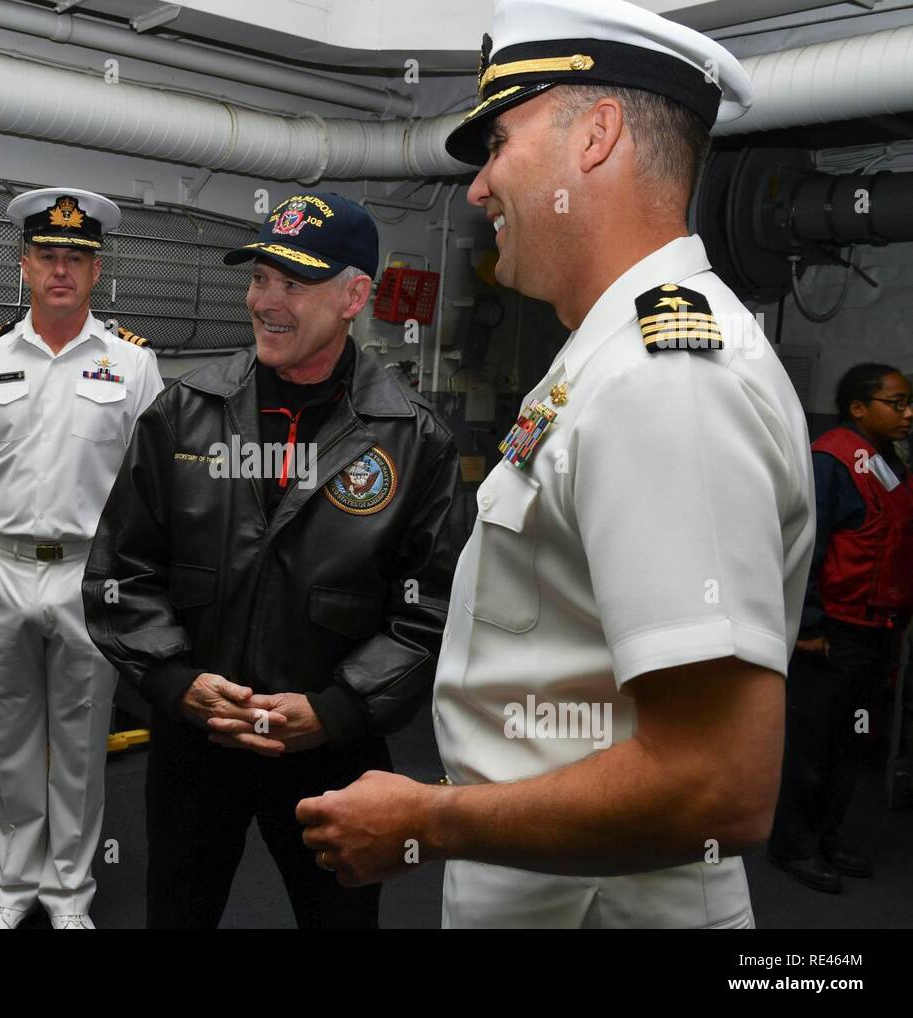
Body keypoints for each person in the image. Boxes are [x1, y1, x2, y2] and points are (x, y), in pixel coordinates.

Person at [296, 0, 816, 929]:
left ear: (597, 137)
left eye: (497, 143)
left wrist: (432, 819)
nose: (478, 189)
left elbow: (716, 786)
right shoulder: (606, 358)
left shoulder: (667, 382)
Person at [82, 191, 466, 928]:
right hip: (198, 742)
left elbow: (432, 611)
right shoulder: (184, 410)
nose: (266, 301)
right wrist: (174, 678)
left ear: (357, 295)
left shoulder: (413, 439)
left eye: (294, 283)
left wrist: (336, 709)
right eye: (260, 277)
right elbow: (119, 574)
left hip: (331, 754)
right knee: (179, 914)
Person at [0, 188, 164, 930]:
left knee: (83, 739)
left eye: (77, 259)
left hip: (90, 575)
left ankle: (69, 895)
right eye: (47, 257)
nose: (61, 270)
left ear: (97, 273)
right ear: (23, 266)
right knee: (11, 735)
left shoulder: (133, 365)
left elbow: (154, 489)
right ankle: (13, 889)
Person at [769, 364, 913, 892]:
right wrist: (807, 625)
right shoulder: (830, 460)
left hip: (876, 633)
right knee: (813, 745)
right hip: (833, 635)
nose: (908, 414)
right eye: (896, 403)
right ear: (858, 407)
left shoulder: (887, 463)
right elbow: (805, 547)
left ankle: (828, 836)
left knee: (852, 742)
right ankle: (793, 847)